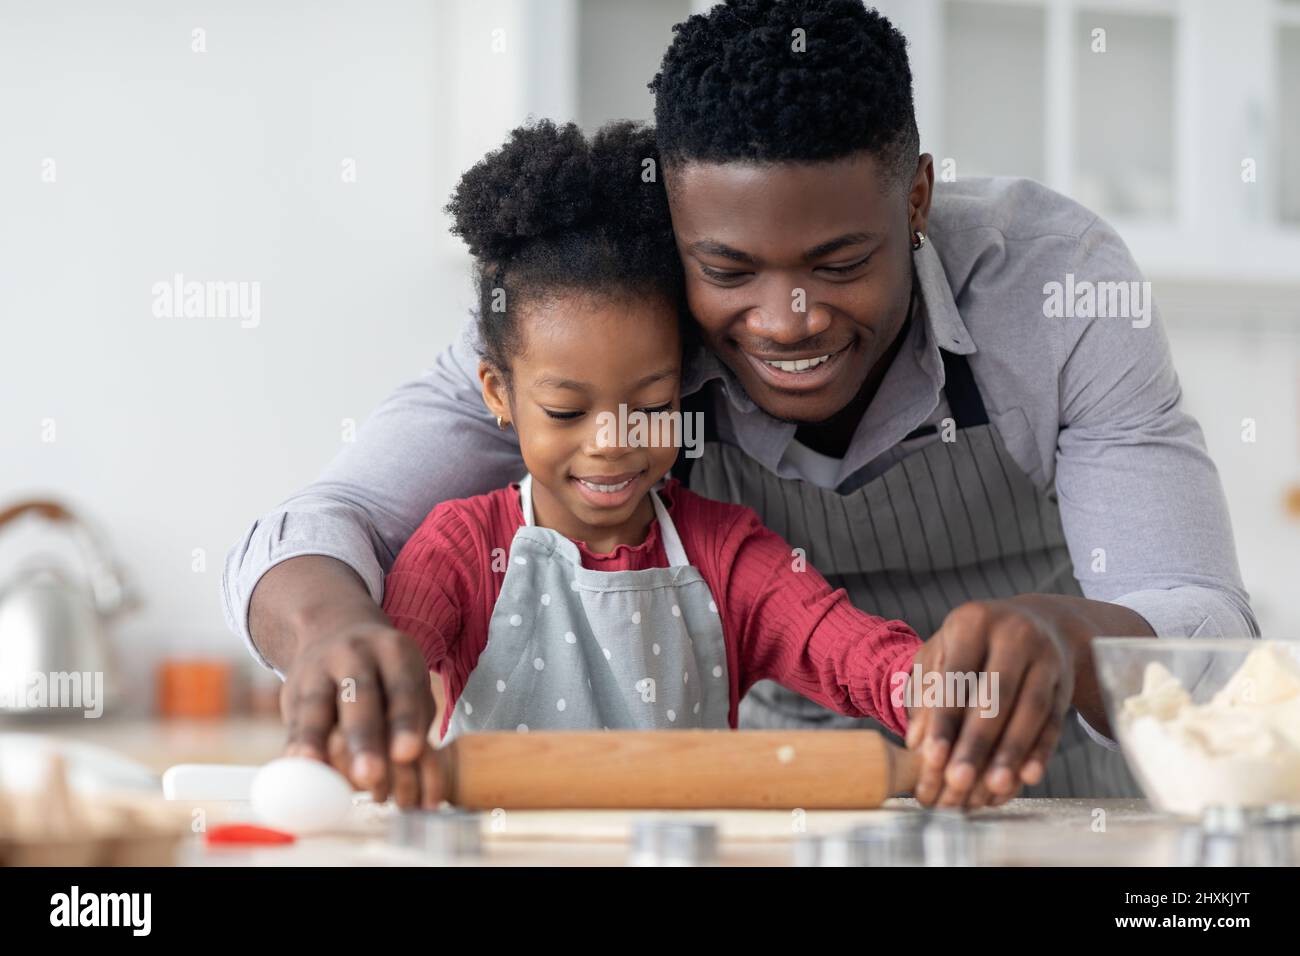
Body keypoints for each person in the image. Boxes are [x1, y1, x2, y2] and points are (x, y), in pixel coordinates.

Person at [223, 0, 1256, 810]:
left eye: (839, 260)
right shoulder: (609, 297)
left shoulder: (1054, 287)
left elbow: (1203, 630)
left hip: (1056, 801)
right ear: (674, 225)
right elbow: (328, 521)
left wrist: (1063, 634)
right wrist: (328, 632)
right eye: (726, 268)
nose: (786, 318)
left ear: (916, 202)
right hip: (775, 804)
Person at [385, 119, 921, 760]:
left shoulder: (723, 555)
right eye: (565, 411)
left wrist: (936, 692)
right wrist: (376, 706)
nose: (611, 442)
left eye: (648, 405)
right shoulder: (461, 551)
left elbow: (845, 650)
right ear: (500, 394)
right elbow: (391, 661)